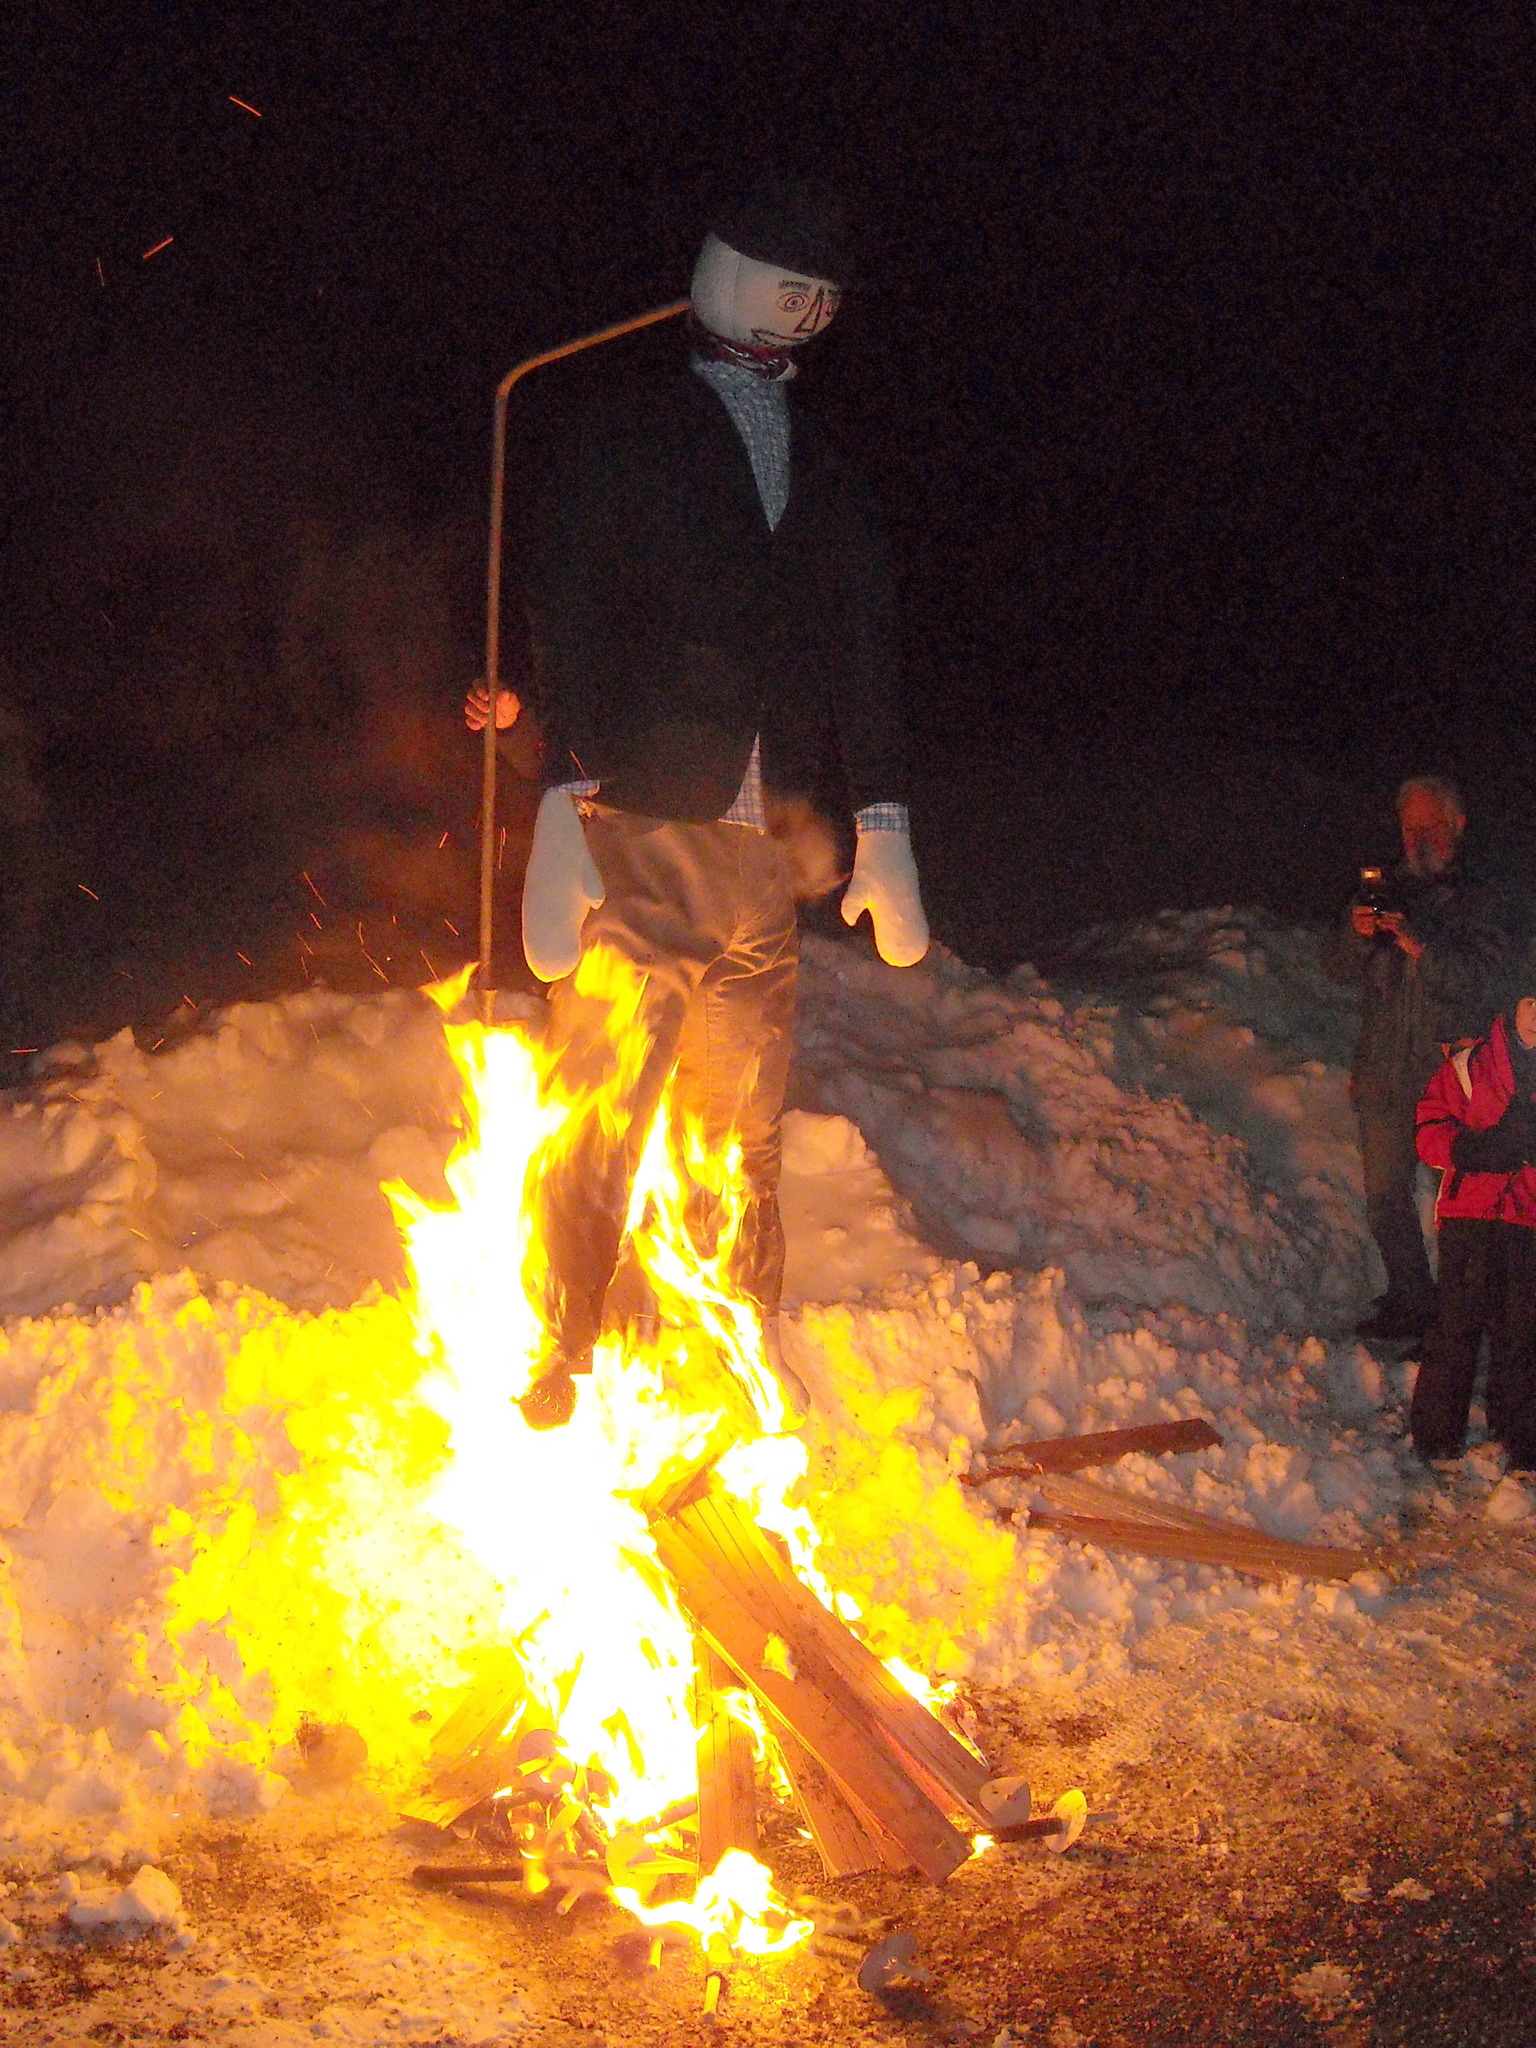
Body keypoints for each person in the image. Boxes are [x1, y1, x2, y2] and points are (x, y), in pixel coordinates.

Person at [467, 177, 929, 1429]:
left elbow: (865, 648)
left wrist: (884, 822)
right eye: (788, 280)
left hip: (774, 850)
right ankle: (558, 1338)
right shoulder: (628, 435)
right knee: (605, 1099)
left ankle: (731, 1344)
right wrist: (564, 789)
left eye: (822, 292)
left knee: (741, 1123)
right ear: (729, 275)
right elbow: (568, 604)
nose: (806, 305)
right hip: (651, 826)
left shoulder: (827, 474)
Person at [1329, 774, 1512, 1344]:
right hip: (1386, 1074)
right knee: (1385, 1199)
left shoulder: (1483, 897)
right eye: (1410, 829)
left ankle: (1464, 1322)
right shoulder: (1387, 892)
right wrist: (1358, 935)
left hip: (1451, 1082)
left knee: (1459, 1206)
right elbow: (1337, 970)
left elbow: (1488, 979)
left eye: (1430, 827)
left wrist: (1421, 946)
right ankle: (1412, 1301)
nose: (1418, 839)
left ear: (1458, 824)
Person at [1410, 948, 1536, 1470]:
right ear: (1515, 1005)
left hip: (1530, 1220)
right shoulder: (1469, 1067)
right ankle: (1436, 1437)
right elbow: (1428, 1130)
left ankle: (1522, 1440)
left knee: (1522, 1330)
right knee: (1456, 1324)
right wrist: (1471, 1150)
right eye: (1532, 1003)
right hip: (1470, 1216)